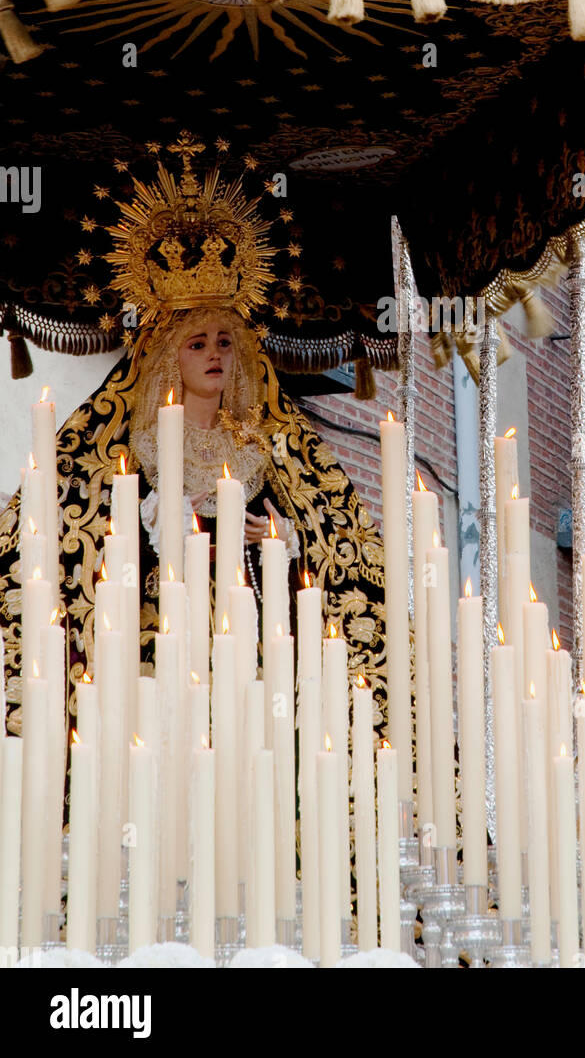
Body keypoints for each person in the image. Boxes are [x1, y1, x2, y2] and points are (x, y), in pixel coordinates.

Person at [0, 157, 387, 737]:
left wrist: (279, 540)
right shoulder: (135, 449)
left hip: (251, 637)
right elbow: (75, 538)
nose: (214, 355)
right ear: (167, 360)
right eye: (198, 343)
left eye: (225, 342)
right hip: (152, 643)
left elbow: (332, 543)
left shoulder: (267, 446)